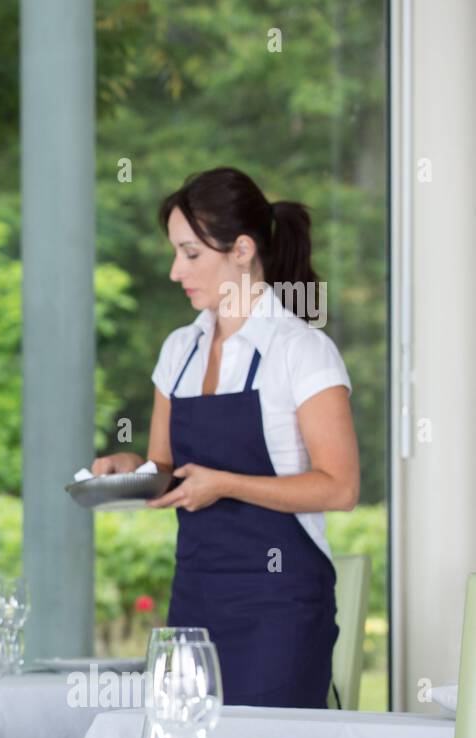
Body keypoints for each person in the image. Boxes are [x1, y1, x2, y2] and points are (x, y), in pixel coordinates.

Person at [91, 167, 360, 708]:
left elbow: (339, 488)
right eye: (175, 252)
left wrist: (227, 485)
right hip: (196, 598)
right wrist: (132, 470)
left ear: (241, 249)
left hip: (281, 610)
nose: (174, 271)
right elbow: (165, 467)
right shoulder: (179, 350)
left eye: (191, 254)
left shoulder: (300, 350)